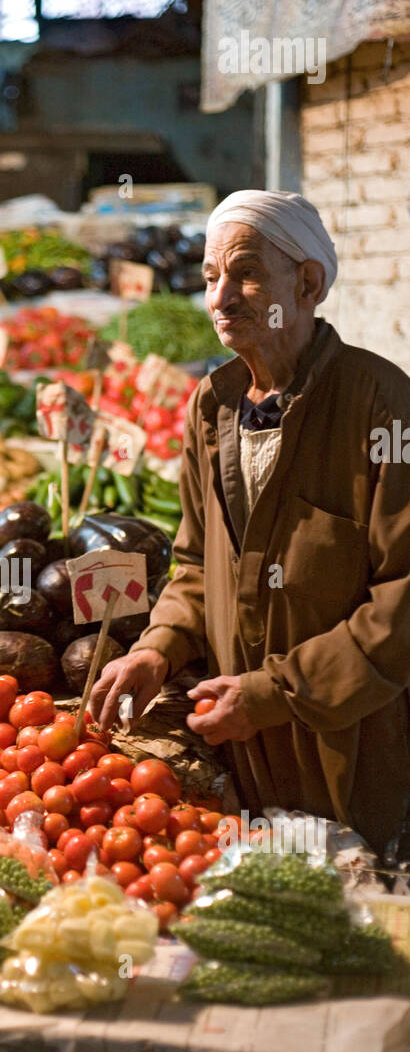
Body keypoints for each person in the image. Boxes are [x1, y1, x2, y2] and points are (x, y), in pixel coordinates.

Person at [91, 189, 410, 861]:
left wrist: (274, 693)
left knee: (352, 909)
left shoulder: (382, 404)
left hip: (346, 746)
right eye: (210, 277)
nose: (222, 298)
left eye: (245, 273)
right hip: (236, 747)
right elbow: (197, 563)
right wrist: (161, 644)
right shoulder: (213, 405)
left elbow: (403, 599)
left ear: (307, 283)